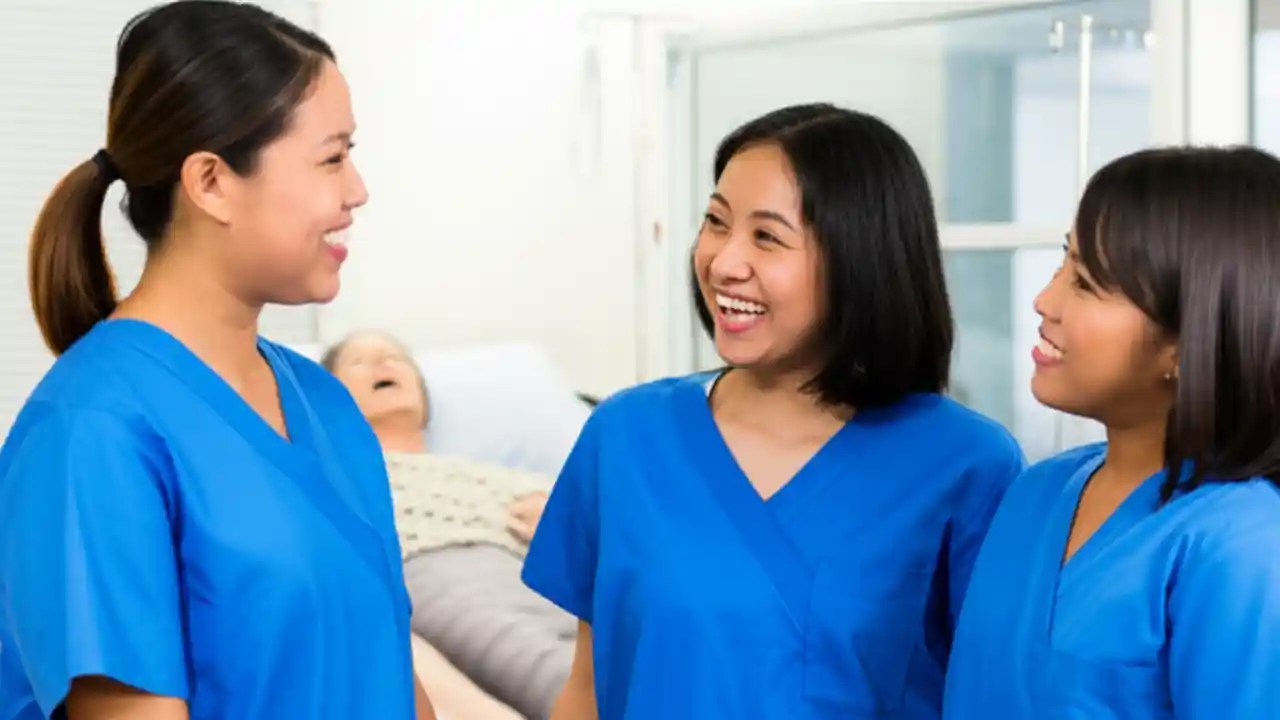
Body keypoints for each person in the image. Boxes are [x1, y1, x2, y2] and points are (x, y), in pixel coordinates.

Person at [520, 103, 1026, 720]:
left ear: (859, 259)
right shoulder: (627, 437)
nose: (723, 263)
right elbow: (587, 692)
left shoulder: (967, 466)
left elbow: (997, 697)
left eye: (766, 237)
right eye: (715, 222)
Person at [0, 3, 434, 719]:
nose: (357, 190)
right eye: (331, 158)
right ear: (211, 183)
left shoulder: (324, 402)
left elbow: (387, 672)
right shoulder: (91, 431)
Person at [942, 147, 1280, 719]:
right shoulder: (1035, 492)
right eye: (1064, 261)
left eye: (1086, 282)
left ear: (1186, 340)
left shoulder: (1243, 543)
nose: (1044, 301)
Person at [323, 330, 576, 720]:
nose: (383, 363)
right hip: (434, 569)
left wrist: (569, 530)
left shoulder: (511, 478)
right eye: (358, 362)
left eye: (396, 358)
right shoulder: (332, 483)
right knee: (560, 675)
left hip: (545, 582)